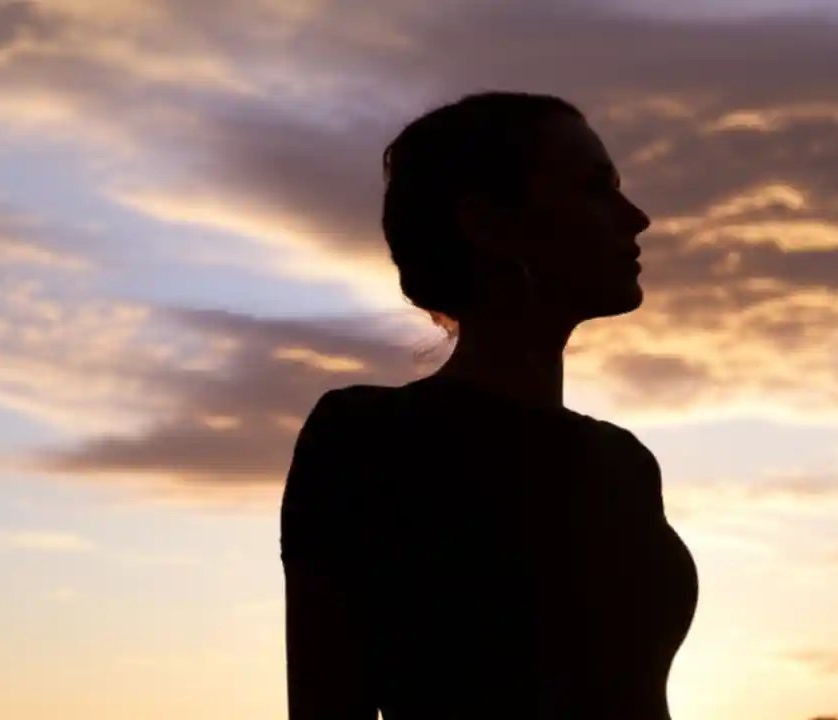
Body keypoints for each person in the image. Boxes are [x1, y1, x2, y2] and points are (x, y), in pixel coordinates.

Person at [280, 90, 700, 719]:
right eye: (595, 188)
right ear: (489, 225)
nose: (635, 216)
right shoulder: (368, 440)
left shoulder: (624, 462)